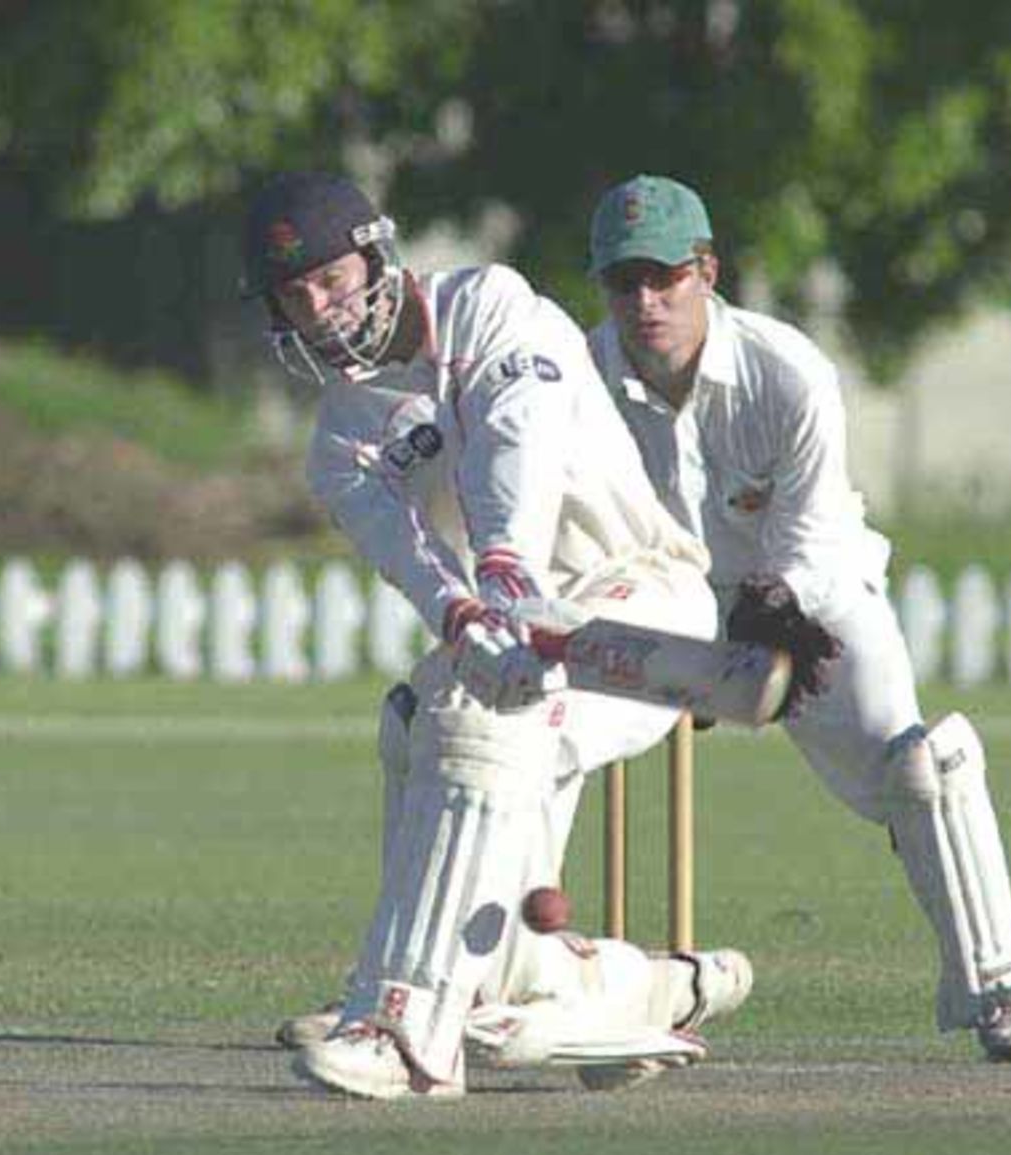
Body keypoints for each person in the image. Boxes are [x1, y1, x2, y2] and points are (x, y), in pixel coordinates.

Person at [240, 172, 752, 1100]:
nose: (320, 308)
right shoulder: (340, 439)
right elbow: (406, 553)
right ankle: (656, 986)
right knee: (416, 717)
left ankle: (402, 1029)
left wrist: (507, 568)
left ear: (377, 255)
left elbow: (520, 434)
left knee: (481, 722)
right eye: (295, 294)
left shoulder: (489, 304)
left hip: (643, 594)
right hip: (514, 618)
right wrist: (464, 616)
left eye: (333, 277)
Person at [585, 173, 1011, 1063]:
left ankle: (1003, 995)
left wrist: (738, 662)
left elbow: (802, 547)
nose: (644, 302)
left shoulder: (788, 373)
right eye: (623, 283)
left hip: (814, 597)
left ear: (707, 271)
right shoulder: (583, 378)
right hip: (672, 599)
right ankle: (462, 992)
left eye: (664, 278)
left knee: (920, 768)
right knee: (522, 734)